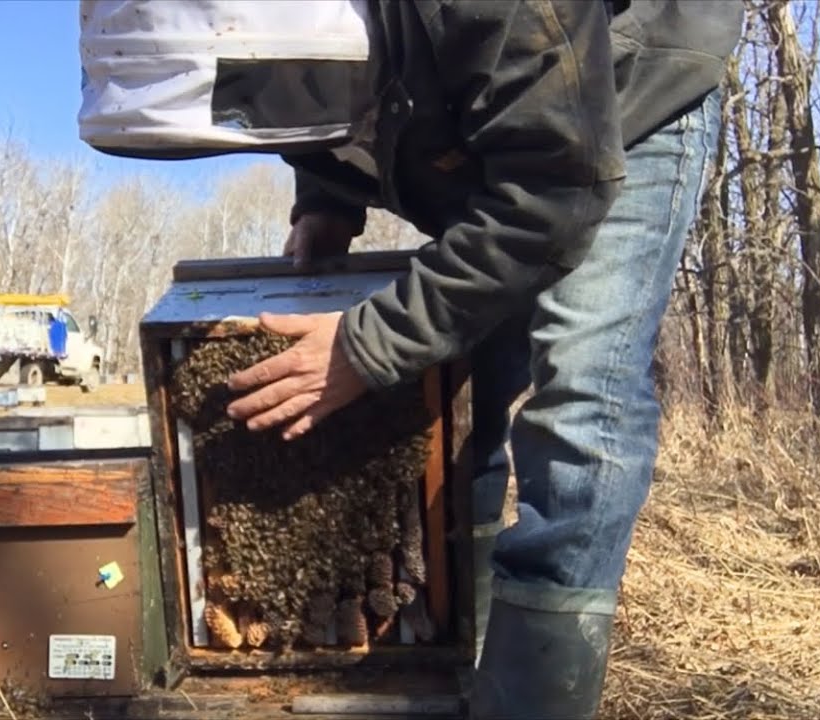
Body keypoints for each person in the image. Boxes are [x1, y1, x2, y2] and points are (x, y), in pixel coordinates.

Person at [79, 1, 743, 717]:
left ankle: (527, 703)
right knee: (469, 393)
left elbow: (554, 189)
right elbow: (297, 81)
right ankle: (457, 654)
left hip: (620, 95)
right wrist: (327, 195)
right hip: (491, 99)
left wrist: (366, 347)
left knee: (582, 397)